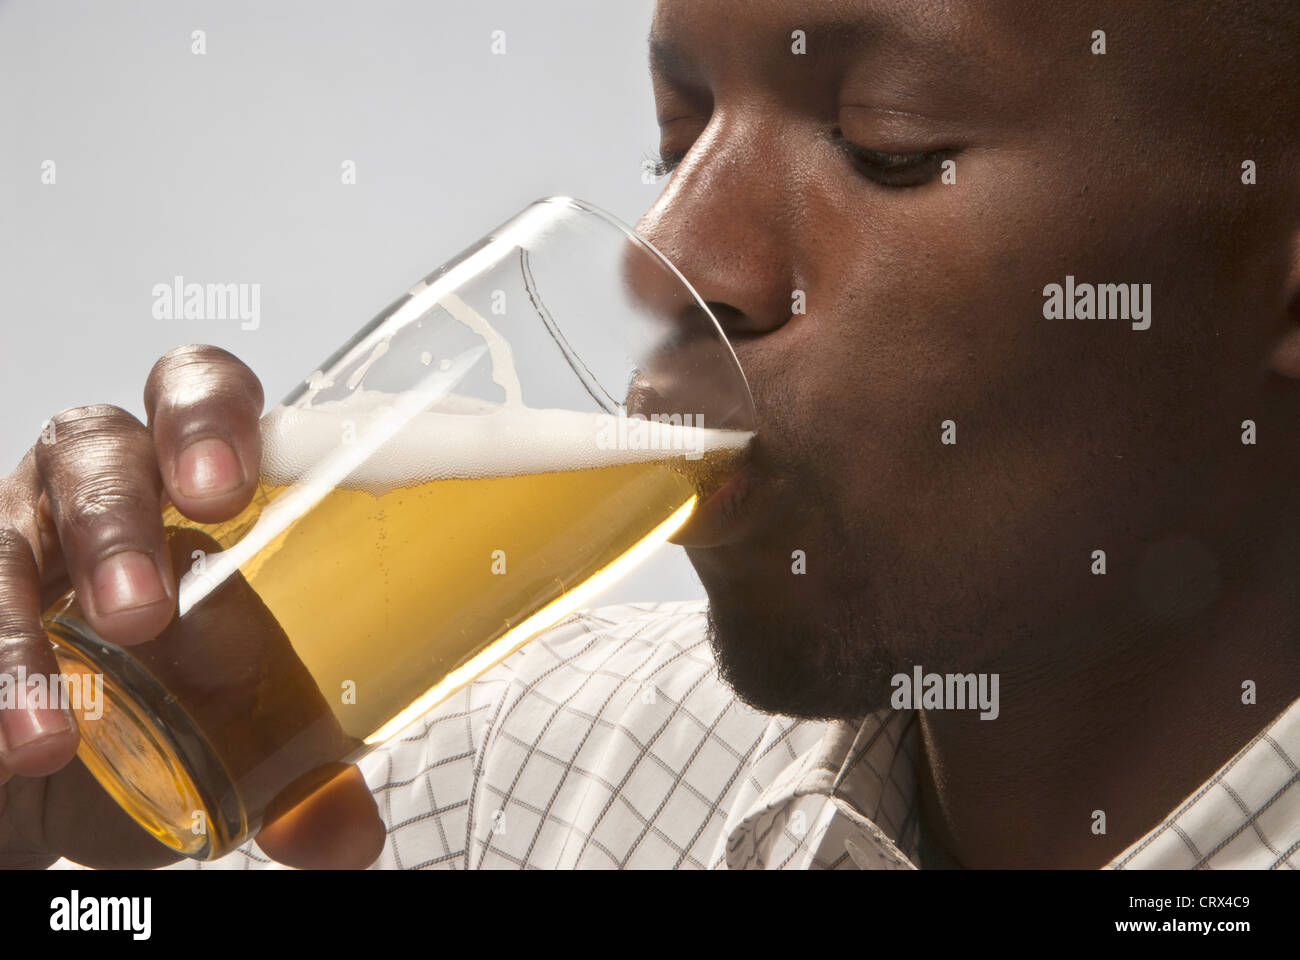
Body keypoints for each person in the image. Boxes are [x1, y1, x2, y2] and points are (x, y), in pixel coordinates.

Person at [4, 0, 1299, 870]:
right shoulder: (491, 792)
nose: (674, 255)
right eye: (675, 141)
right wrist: (42, 823)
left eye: (884, 143)